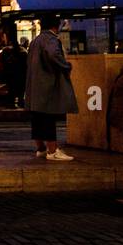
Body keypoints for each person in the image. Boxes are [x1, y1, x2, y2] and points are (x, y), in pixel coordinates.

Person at [24, 15, 77, 161]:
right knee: (48, 117)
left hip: (35, 85)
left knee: (38, 118)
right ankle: (53, 151)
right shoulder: (51, 39)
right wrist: (66, 66)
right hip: (47, 84)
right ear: (56, 26)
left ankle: (41, 148)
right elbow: (54, 54)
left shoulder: (35, 41)